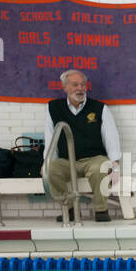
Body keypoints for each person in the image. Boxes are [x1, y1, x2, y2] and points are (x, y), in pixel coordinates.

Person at [45, 69, 121, 222]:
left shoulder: (100, 108)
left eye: (82, 85)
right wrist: (47, 163)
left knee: (99, 168)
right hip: (67, 161)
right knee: (50, 169)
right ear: (65, 87)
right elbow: (50, 139)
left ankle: (101, 210)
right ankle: (70, 209)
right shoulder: (53, 108)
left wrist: (115, 165)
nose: (80, 88)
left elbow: (111, 137)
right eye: (75, 85)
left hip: (93, 159)